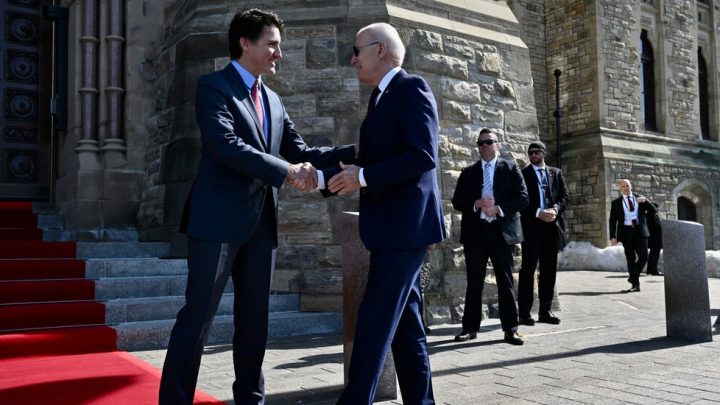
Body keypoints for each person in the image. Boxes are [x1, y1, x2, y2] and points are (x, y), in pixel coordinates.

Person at [159, 9, 356, 404]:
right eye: (272, 44)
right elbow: (226, 145)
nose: (278, 54)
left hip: (260, 226)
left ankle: (251, 398)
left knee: (255, 324)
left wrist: (360, 152)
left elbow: (302, 153)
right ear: (245, 43)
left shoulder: (273, 100)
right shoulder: (212, 86)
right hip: (215, 223)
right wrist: (287, 172)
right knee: (197, 320)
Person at [323, 22, 446, 404]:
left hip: (404, 232)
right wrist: (322, 173)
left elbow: (422, 155)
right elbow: (371, 158)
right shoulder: (381, 96)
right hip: (393, 231)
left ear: (379, 50)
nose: (353, 58)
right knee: (407, 332)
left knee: (374, 324)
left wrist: (364, 176)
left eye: (357, 50)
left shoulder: (411, 88)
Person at [451, 129, 528, 345]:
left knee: (505, 281)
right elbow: (458, 201)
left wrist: (499, 209)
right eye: (480, 143)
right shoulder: (469, 172)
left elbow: (523, 198)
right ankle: (469, 328)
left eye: (488, 142)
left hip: (501, 232)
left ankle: (510, 329)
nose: (484, 146)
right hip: (476, 232)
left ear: (497, 145)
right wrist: (476, 204)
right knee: (474, 282)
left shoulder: (510, 168)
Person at [518, 141, 571, 326]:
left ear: (543, 153)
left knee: (549, 270)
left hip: (551, 227)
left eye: (536, 152)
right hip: (532, 228)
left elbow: (565, 197)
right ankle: (524, 313)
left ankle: (545, 311)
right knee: (528, 270)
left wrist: (555, 210)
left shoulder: (555, 173)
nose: (532, 156)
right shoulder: (523, 175)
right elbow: (521, 200)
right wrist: (538, 212)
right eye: (530, 153)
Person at [609, 179, 657, 292]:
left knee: (644, 256)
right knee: (630, 258)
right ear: (620, 189)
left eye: (627, 185)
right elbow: (612, 221)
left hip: (640, 231)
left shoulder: (639, 199)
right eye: (623, 186)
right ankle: (636, 284)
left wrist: (645, 201)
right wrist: (612, 236)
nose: (626, 188)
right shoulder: (616, 203)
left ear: (631, 186)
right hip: (626, 232)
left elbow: (653, 210)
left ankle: (633, 276)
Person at [646, 202, 663, 276]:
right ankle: (653, 270)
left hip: (654, 239)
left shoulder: (650, 215)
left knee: (653, 254)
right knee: (655, 255)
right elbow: (657, 227)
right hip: (655, 239)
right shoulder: (652, 215)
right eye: (656, 208)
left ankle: (650, 270)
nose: (657, 210)